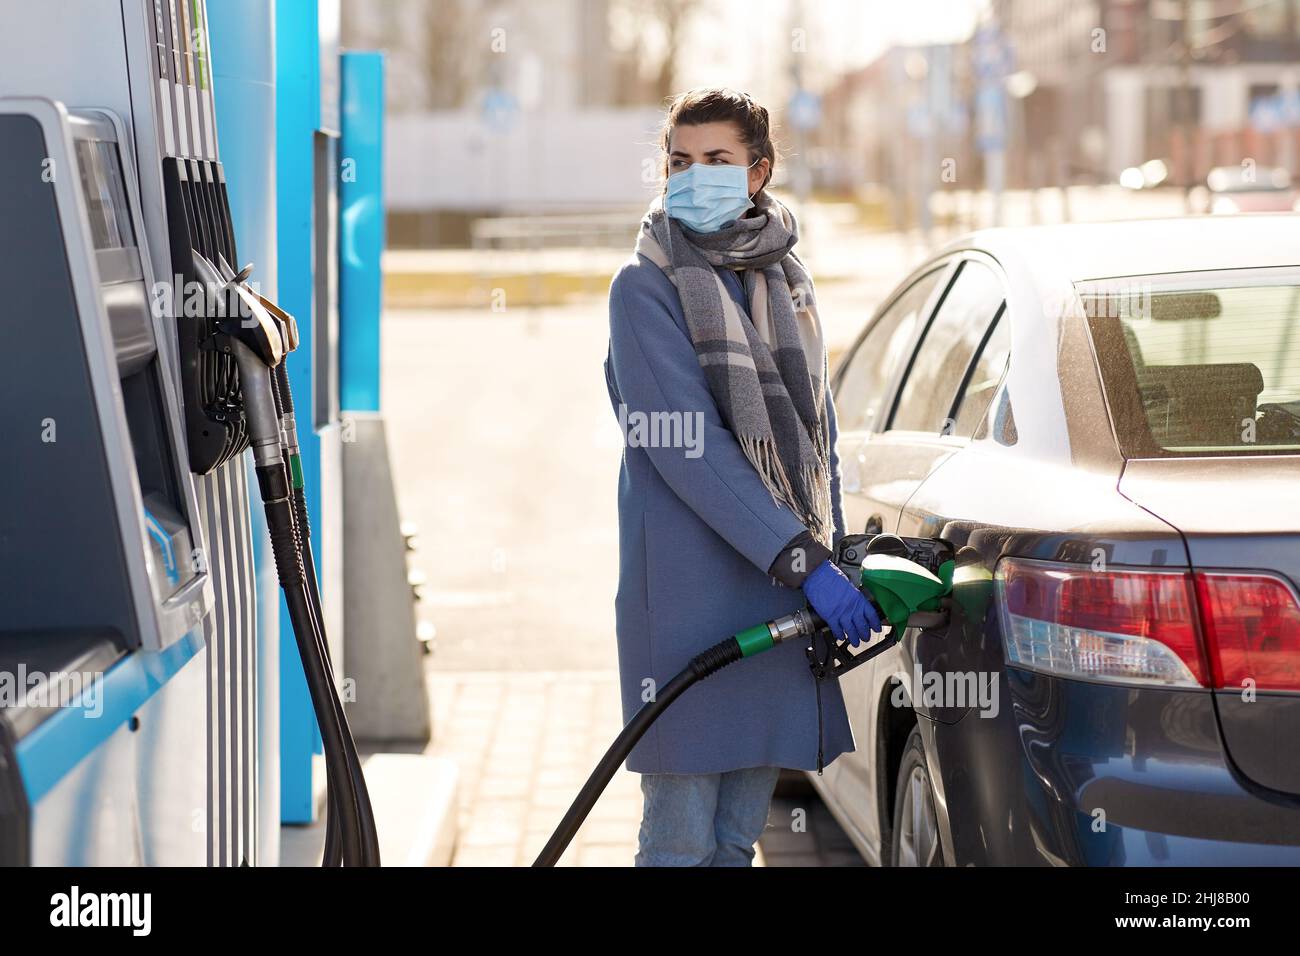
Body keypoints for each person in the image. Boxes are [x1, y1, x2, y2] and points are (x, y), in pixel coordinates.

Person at [603, 87, 881, 867]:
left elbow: (815, 426)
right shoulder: (645, 288)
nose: (693, 176)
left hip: (776, 602)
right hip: (691, 600)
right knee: (680, 839)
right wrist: (802, 558)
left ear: (757, 173)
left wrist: (830, 550)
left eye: (716, 160)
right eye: (679, 160)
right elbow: (688, 449)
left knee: (735, 840)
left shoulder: (787, 282)